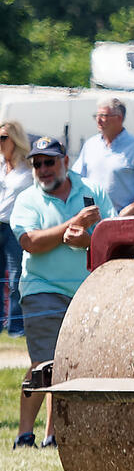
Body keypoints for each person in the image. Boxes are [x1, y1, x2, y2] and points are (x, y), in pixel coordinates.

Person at [10, 136, 114, 448]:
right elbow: (30, 242)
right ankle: (24, 435)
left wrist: (89, 240)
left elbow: (113, 233)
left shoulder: (92, 191)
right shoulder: (28, 199)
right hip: (42, 289)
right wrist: (73, 223)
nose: (43, 169)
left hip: (87, 292)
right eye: (37, 163)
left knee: (69, 365)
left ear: (65, 162)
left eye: (49, 162)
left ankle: (53, 436)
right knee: (45, 363)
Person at [71, 96, 134, 216]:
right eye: (96, 116)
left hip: (124, 218)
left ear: (119, 118)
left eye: (104, 116)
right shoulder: (90, 145)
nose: (99, 120)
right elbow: (76, 178)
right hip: (92, 218)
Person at [0, 121, 31, 336]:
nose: (0, 143)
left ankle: (16, 327)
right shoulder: (1, 165)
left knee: (15, 280)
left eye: (3, 138)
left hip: (15, 226)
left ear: (15, 140)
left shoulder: (28, 169)